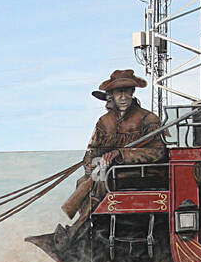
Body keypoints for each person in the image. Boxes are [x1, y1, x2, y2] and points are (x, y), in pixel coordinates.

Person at [60, 70, 166, 221]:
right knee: (83, 182)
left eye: (126, 92)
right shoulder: (104, 121)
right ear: (112, 95)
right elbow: (93, 149)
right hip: (108, 172)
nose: (123, 98)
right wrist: (89, 163)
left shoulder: (149, 118)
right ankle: (89, 228)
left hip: (141, 174)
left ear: (132, 92)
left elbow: (158, 153)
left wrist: (120, 154)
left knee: (101, 182)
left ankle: (79, 231)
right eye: (118, 93)